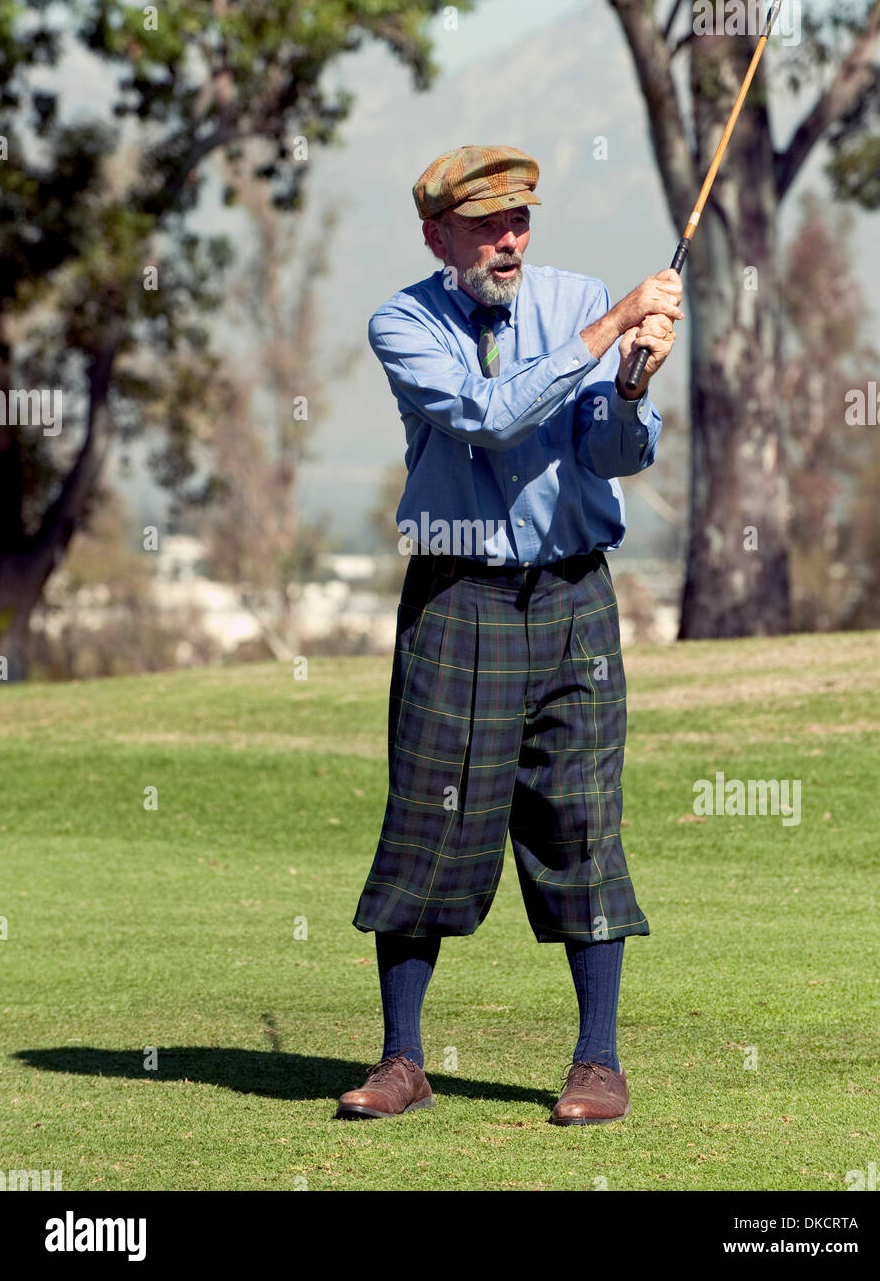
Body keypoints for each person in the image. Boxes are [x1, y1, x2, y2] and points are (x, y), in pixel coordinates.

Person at [337, 144, 682, 1125]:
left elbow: (611, 455)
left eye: (519, 220)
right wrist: (609, 326)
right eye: (487, 225)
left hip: (574, 597)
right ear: (435, 235)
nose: (509, 240)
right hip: (455, 602)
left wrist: (628, 387)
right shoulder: (404, 322)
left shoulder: (574, 297)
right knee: (425, 833)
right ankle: (403, 1058)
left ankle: (598, 1064)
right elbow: (487, 417)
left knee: (580, 824)